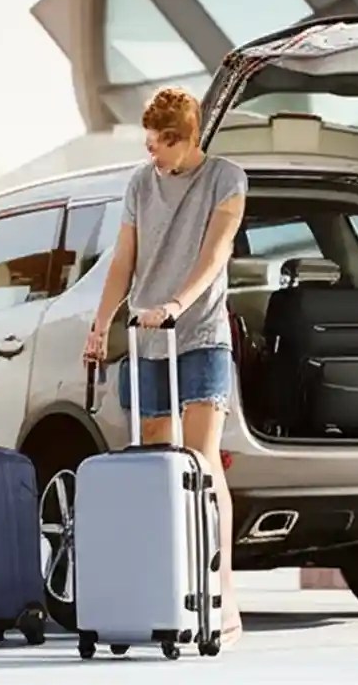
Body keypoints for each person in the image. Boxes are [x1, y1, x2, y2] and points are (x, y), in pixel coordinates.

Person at [83, 86, 248, 646]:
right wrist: (102, 323)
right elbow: (123, 260)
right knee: (156, 467)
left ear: (187, 138)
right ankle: (166, 589)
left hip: (199, 332)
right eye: (149, 143)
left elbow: (216, 251)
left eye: (161, 145)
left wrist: (178, 304)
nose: (153, 154)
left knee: (202, 465)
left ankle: (222, 597)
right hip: (147, 338)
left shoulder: (226, 178)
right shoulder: (139, 184)